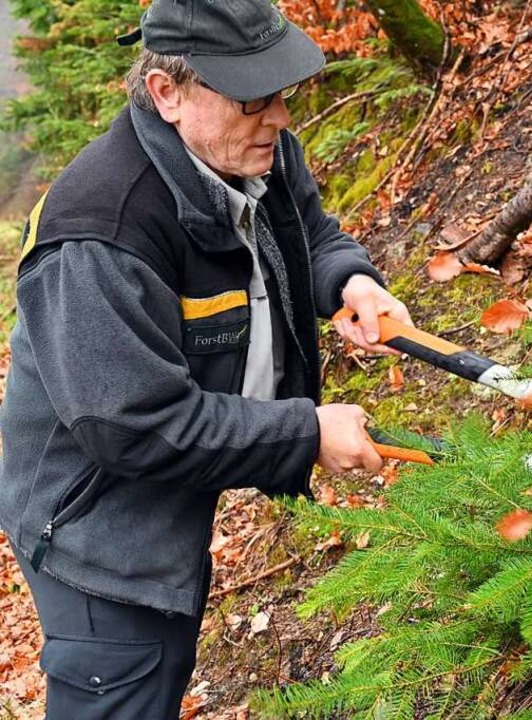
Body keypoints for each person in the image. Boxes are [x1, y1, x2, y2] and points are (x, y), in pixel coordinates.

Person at [0, 1, 412, 716]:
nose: (279, 117)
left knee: (166, 662)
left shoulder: (251, 148)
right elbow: (134, 423)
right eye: (254, 98)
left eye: (282, 91)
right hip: (96, 522)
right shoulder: (99, 234)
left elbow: (309, 231)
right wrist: (306, 432)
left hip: (172, 483)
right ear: (167, 93)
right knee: (132, 676)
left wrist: (351, 282)